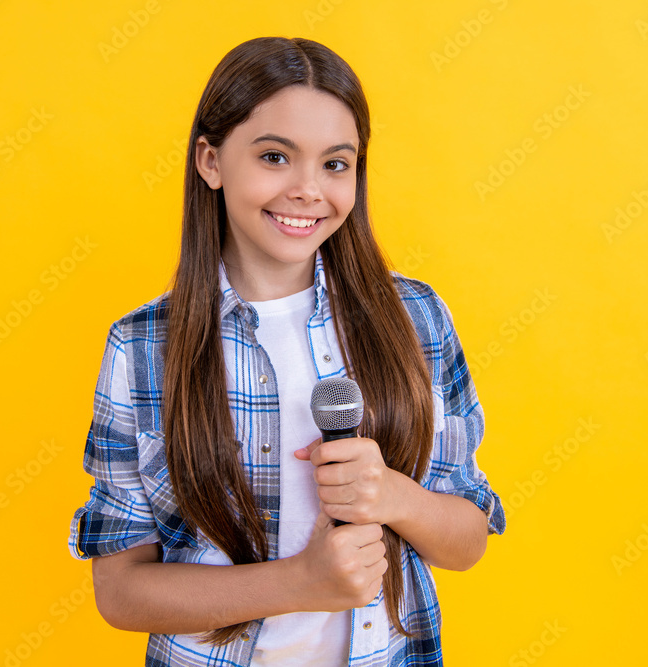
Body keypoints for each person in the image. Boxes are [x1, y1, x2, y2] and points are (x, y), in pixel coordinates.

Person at [68, 36, 506, 667]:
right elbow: (120, 590)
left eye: (335, 164)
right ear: (211, 162)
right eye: (275, 157)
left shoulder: (416, 318)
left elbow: (465, 543)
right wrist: (299, 583)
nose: (308, 189)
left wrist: (392, 495)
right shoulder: (143, 347)